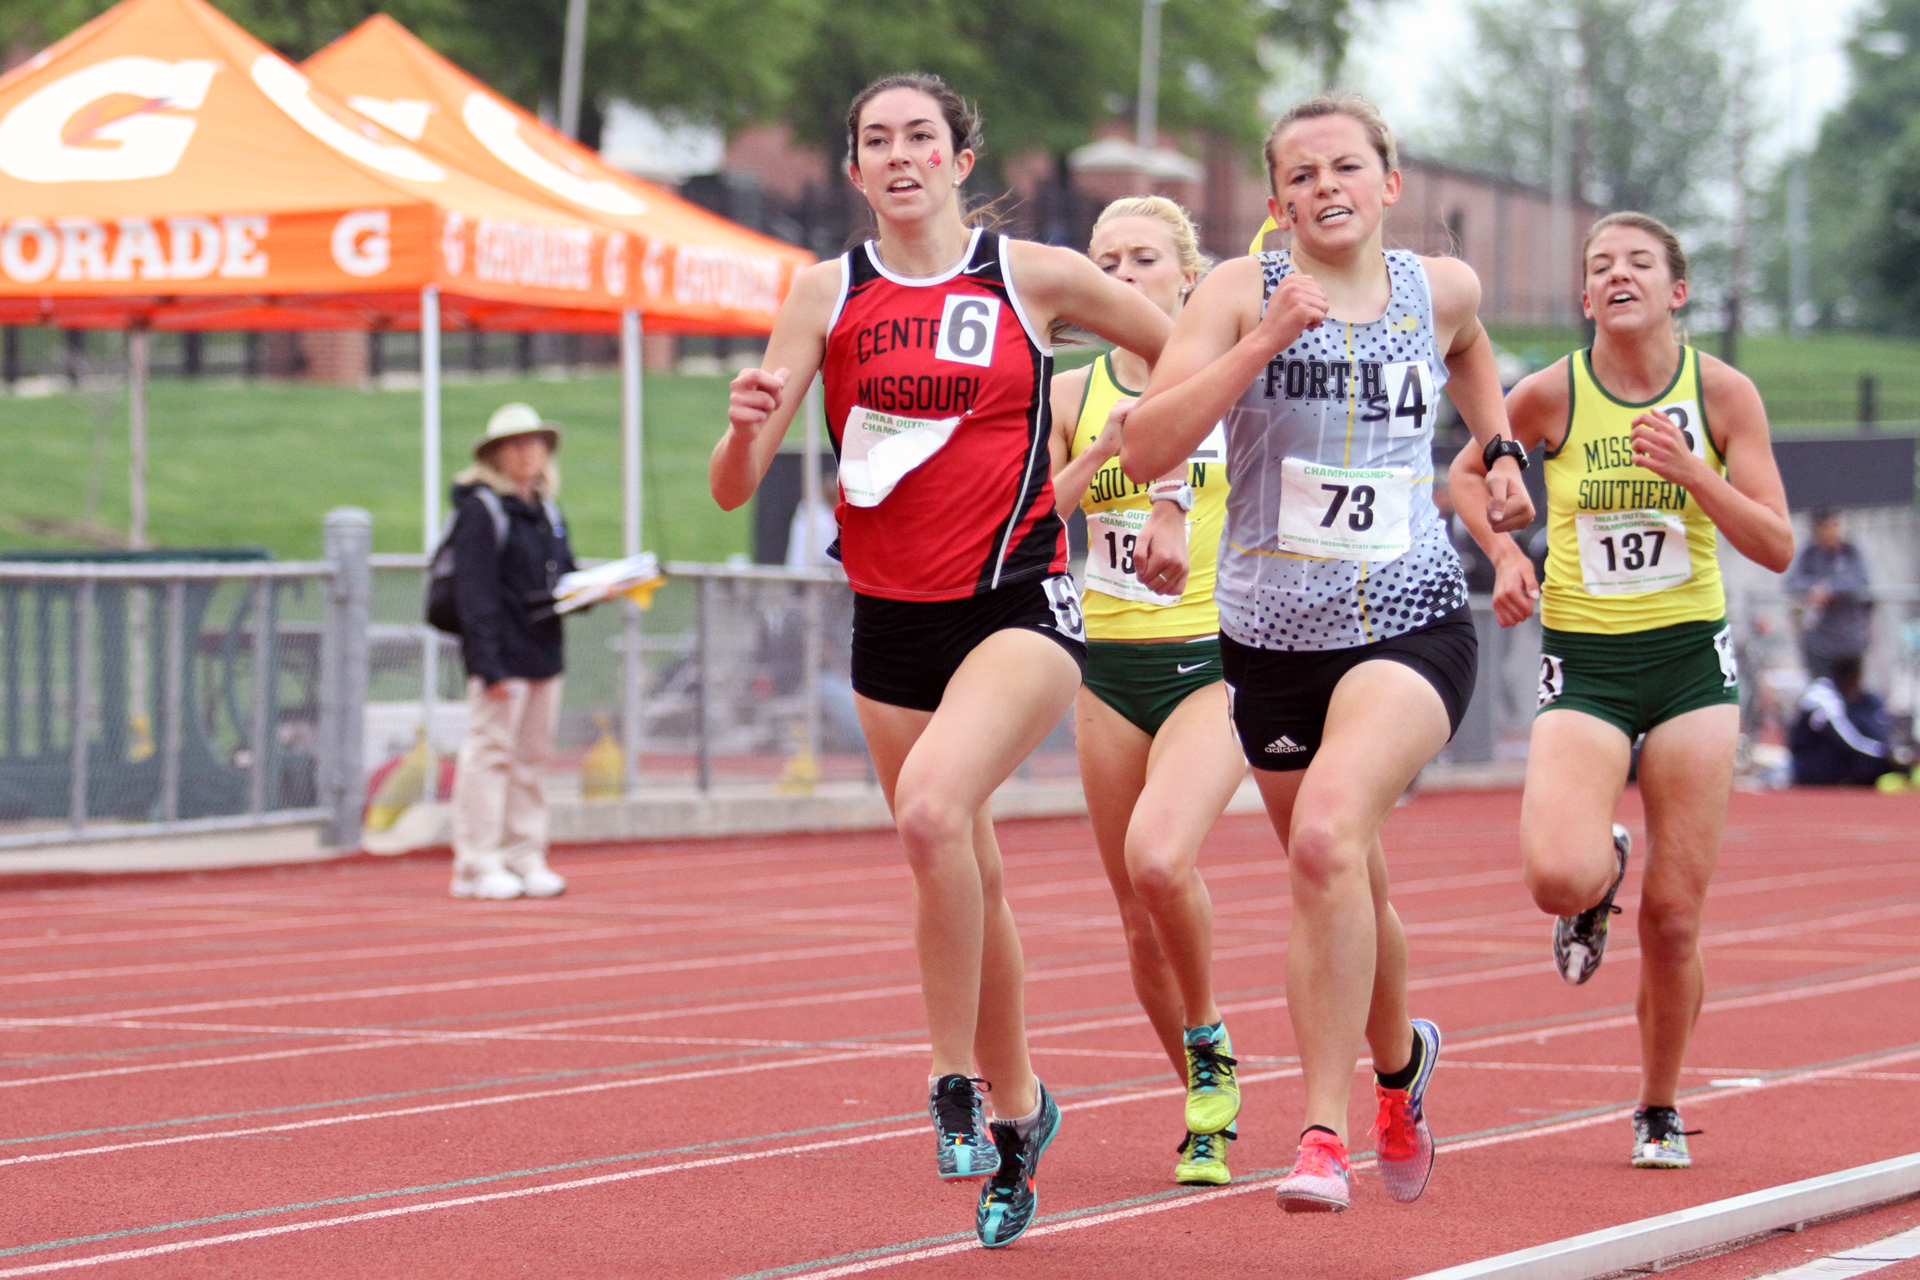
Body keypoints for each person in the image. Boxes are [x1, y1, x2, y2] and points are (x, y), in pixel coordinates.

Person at [708, 72, 1172, 1249]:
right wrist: (741, 417)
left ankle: (950, 1071)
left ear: (962, 159)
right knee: (961, 860)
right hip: (890, 616)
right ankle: (1023, 1111)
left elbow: (1186, 361)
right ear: (855, 171)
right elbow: (732, 486)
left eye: (921, 135)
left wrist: (1164, 490)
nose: (900, 154)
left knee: (929, 814)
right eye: (877, 140)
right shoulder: (825, 291)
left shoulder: (1035, 276)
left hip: (1021, 597)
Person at [1124, 93, 1534, 1214]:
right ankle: (1403, 1066)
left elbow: (1470, 344)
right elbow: (1148, 439)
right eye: (1300, 175)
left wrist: (1497, 445)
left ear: (1388, 184)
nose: (1325, 187)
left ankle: (1321, 1131)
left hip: (1410, 618)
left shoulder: (1435, 287)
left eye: (1345, 166)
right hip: (1271, 638)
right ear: (1275, 202)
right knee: (1348, 874)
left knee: (1324, 838)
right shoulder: (1235, 292)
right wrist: (1264, 341)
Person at [1448, 211, 1794, 1169]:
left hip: (1689, 666)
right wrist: (1503, 551)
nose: (1618, 274)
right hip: (1587, 668)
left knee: (1677, 919)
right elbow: (1463, 477)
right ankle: (1595, 876)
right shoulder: (1551, 393)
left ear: (1675, 290)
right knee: (1553, 875)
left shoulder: (1722, 394)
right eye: (1600, 265)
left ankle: (1657, 1104)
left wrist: (1695, 475)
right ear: (1585, 297)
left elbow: (1776, 540)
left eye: (1640, 262)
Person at [1045, 196, 1248, 1187]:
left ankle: (1209, 1038)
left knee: (1161, 860)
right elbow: (1037, 515)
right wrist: (1105, 443)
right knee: (1134, 914)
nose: (1122, 276)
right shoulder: (1069, 388)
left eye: (1142, 259)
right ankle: (1204, 1102)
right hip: (1108, 662)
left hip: (1213, 657)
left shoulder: (1227, 377)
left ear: (1187, 275)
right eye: (1105, 260)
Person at [447, 403, 578, 901]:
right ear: (497, 454)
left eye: (534, 443)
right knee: (490, 755)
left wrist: (600, 589)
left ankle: (525, 854)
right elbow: (473, 594)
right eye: (515, 444)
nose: (527, 453)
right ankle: (477, 863)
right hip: (502, 655)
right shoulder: (481, 510)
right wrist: (487, 663)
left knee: (531, 758)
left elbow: (563, 576)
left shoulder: (546, 508)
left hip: (544, 651)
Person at [1786, 509, 1872, 681]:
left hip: (1850, 640)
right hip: (1818, 641)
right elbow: (1791, 582)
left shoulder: (1850, 551)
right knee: (1821, 690)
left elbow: (1861, 581)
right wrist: (1814, 589)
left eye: (1833, 526)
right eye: (1823, 529)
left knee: (1850, 694)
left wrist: (1831, 589)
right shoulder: (1809, 553)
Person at [1789, 655, 1893, 786]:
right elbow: (1848, 740)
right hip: (1814, 769)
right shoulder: (1821, 697)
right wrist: (1886, 754)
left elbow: (1879, 731)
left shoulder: (1868, 700)